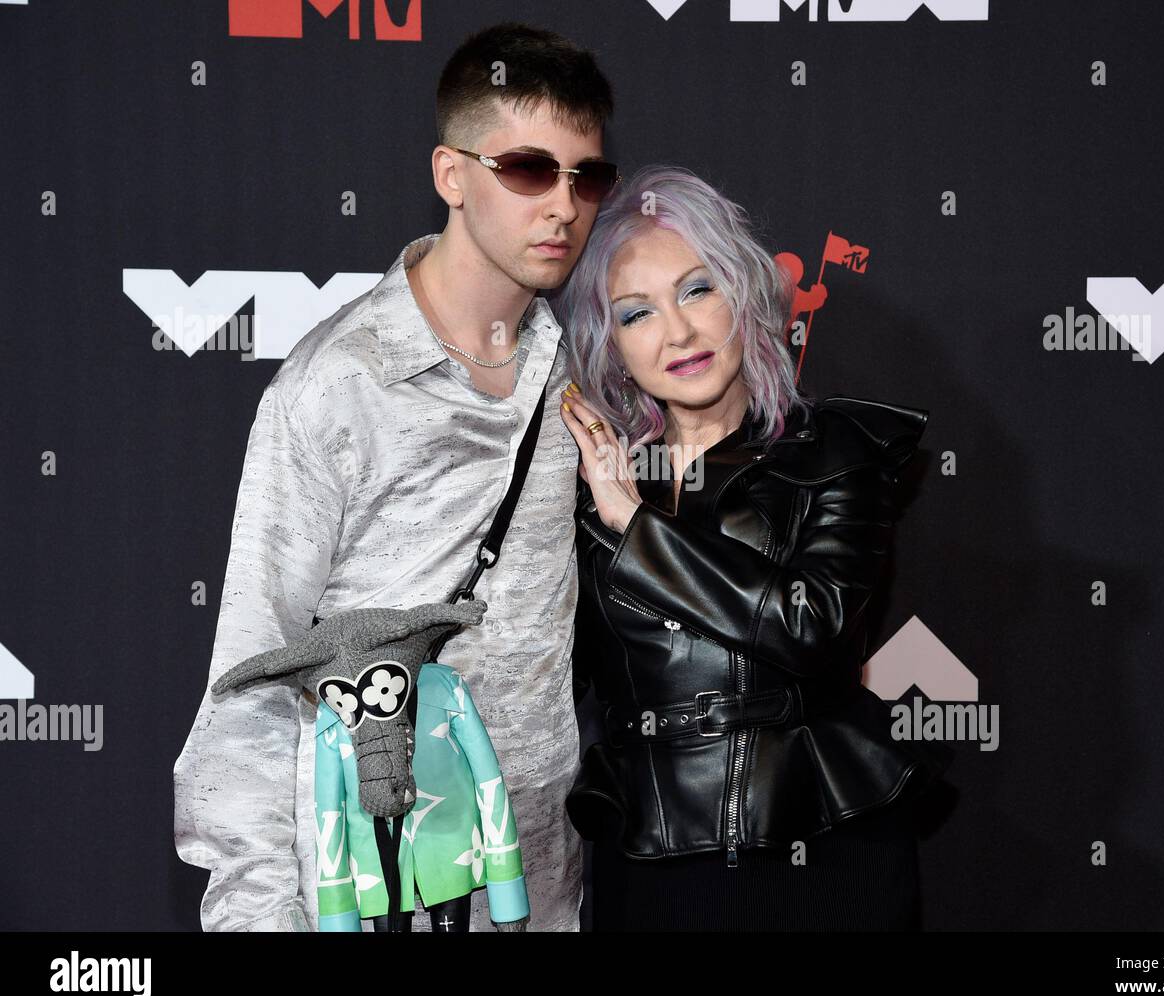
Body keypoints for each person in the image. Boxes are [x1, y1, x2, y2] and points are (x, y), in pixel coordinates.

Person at [171, 22, 618, 931]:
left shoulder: (575, 369)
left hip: (535, 888)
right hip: (373, 889)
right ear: (452, 175)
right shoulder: (339, 382)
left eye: (588, 177)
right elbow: (250, 680)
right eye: (529, 169)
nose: (563, 205)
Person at [552, 165, 954, 931]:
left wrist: (635, 526)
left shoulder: (837, 450)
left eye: (698, 290)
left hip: (817, 856)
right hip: (648, 866)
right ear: (612, 345)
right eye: (637, 313)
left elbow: (814, 625)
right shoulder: (585, 489)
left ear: (743, 291)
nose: (678, 332)